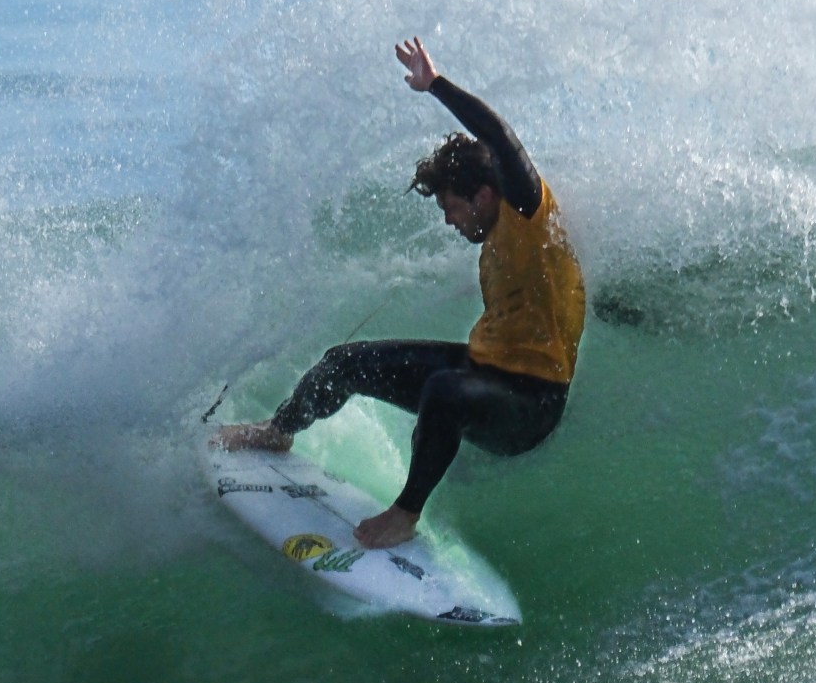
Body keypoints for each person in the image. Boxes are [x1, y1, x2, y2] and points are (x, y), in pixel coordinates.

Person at [219, 37, 586, 549]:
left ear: (483, 194)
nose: (450, 221)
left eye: (452, 207)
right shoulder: (495, 238)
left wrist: (435, 84)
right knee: (342, 362)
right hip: (487, 370)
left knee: (443, 392)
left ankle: (404, 514)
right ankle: (278, 430)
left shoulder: (527, 212)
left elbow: (502, 140)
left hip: (532, 403)